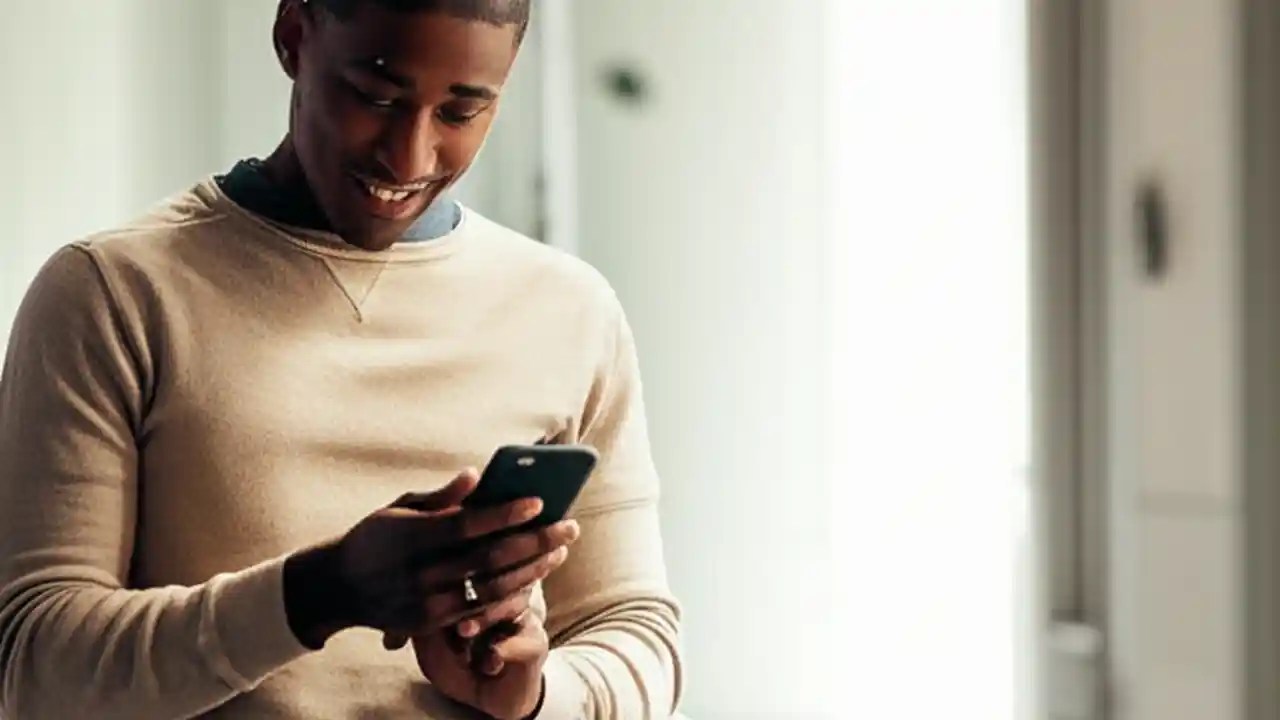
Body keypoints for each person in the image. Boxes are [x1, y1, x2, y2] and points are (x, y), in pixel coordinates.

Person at [0, 0, 683, 718]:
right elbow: (33, 673)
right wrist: (318, 594)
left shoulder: (569, 310)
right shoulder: (112, 294)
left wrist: (536, 692)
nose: (409, 158)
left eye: (461, 112)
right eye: (376, 97)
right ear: (293, 36)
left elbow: (639, 637)